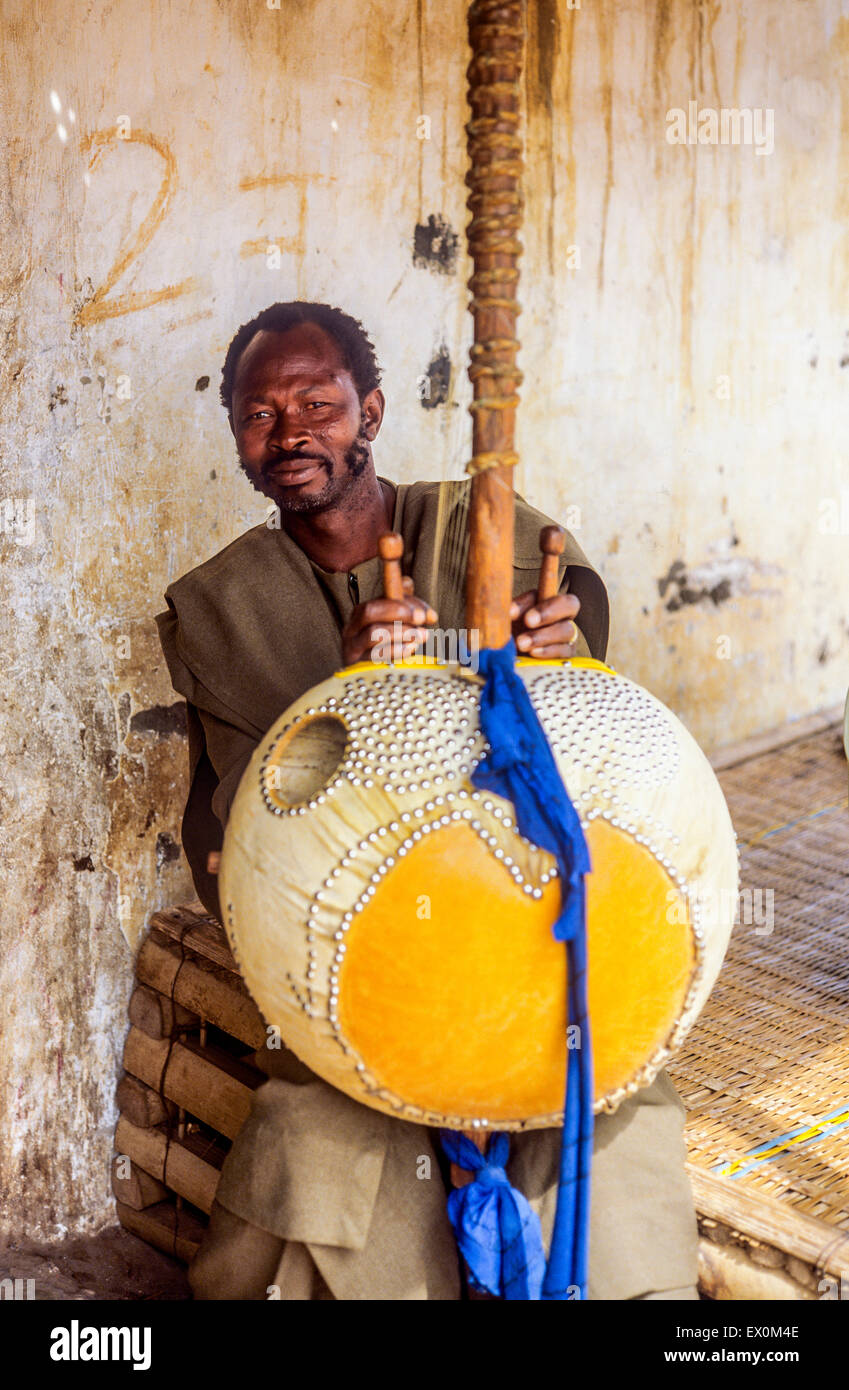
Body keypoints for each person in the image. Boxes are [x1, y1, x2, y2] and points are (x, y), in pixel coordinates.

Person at [156, 300, 699, 1300]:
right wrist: (346, 698)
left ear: (368, 413)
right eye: (258, 413)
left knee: (603, 1140)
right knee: (324, 1147)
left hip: (529, 946)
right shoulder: (225, 607)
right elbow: (252, 836)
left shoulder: (483, 529)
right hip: (355, 967)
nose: (289, 433)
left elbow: (593, 753)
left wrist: (556, 663)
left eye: (317, 403)